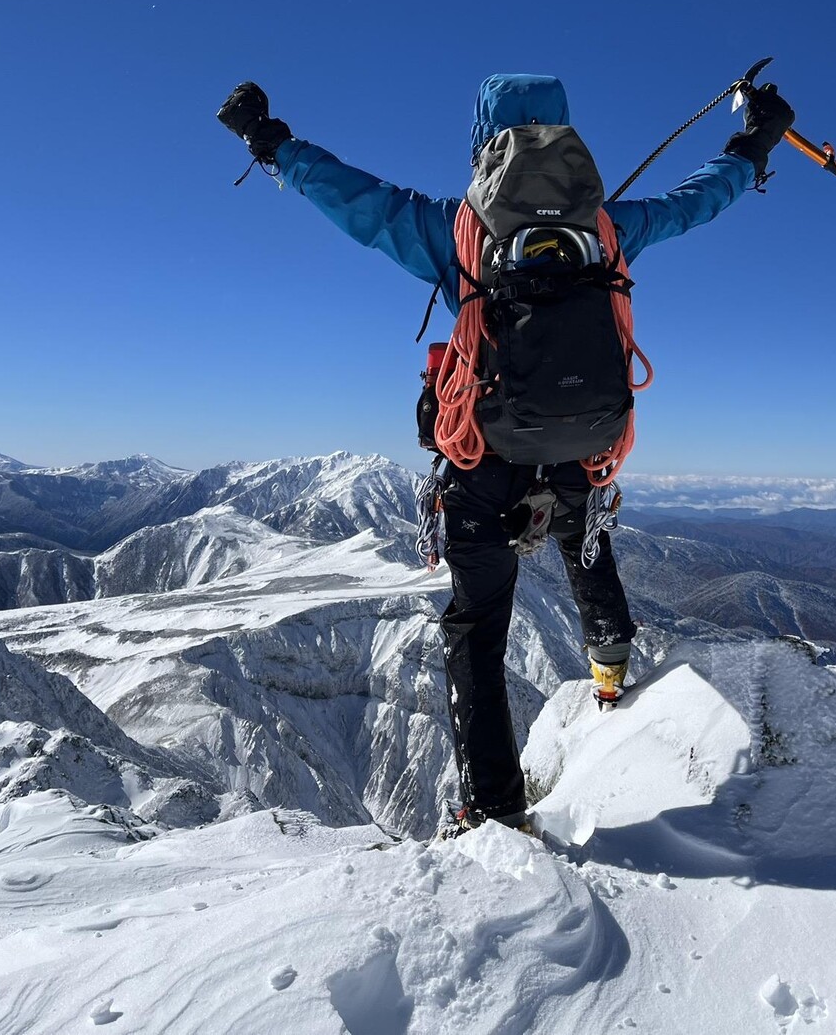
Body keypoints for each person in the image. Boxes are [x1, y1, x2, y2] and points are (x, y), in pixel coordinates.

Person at [218, 73, 794, 832]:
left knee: (477, 628)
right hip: (583, 446)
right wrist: (754, 143)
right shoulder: (609, 228)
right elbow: (696, 200)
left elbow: (352, 198)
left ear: (483, 142)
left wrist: (271, 142)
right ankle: (611, 665)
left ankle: (491, 809)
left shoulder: (453, 231)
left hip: (482, 455)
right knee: (582, 534)